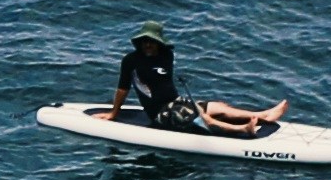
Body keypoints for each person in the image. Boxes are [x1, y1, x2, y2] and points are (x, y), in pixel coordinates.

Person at [108, 27, 286, 138]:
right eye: (145, 41)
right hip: (159, 113)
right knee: (202, 116)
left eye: (151, 42)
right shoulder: (130, 61)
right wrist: (113, 114)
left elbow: (162, 82)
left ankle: (264, 115)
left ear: (158, 43)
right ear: (140, 42)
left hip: (176, 103)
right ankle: (242, 129)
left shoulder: (166, 55)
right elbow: (123, 89)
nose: (148, 45)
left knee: (218, 107)